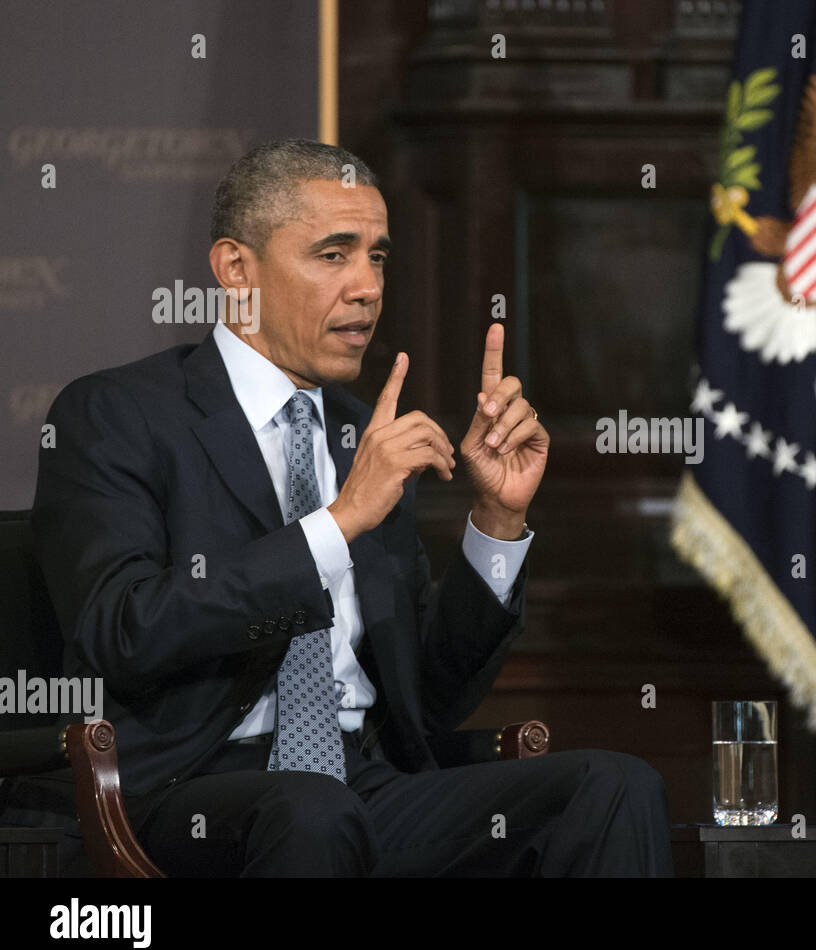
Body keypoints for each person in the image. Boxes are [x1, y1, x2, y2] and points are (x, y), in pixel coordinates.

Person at [10, 139, 672, 876]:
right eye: (333, 255)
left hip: (364, 786)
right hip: (185, 792)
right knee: (309, 811)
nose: (366, 287)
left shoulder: (365, 432)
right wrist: (336, 523)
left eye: (378, 258)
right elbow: (121, 628)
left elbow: (431, 698)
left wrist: (497, 521)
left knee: (610, 787)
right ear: (237, 270)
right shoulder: (117, 415)